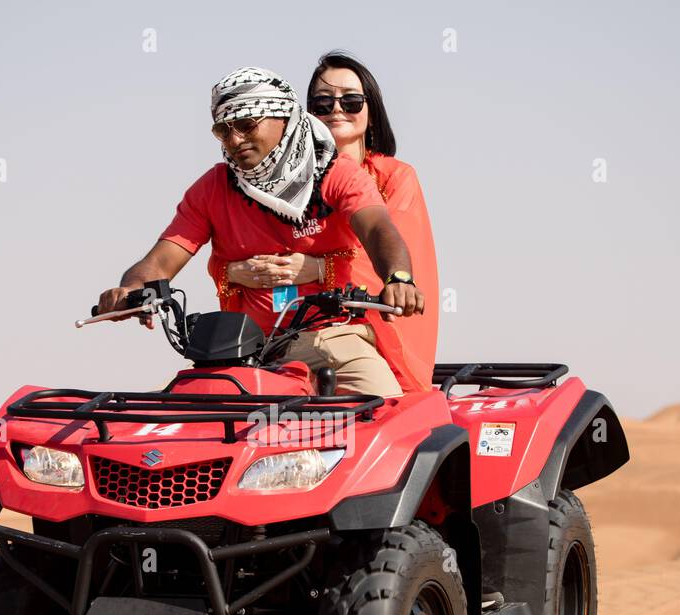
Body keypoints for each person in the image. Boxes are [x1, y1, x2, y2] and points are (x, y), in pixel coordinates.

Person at [95, 66, 423, 398]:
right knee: (167, 424)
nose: (235, 140)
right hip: (239, 350)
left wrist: (399, 277)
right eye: (223, 131)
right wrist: (130, 289)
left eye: (245, 125)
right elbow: (159, 261)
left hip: (331, 340)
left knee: (387, 412)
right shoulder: (213, 188)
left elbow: (378, 229)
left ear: (285, 118)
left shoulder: (337, 173)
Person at [215, 52, 439, 393]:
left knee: (389, 418)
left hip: (355, 334)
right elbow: (256, 248)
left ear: (371, 113)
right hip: (279, 335)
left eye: (351, 101)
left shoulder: (393, 177)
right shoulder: (275, 178)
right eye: (322, 103)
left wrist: (320, 269)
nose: (336, 109)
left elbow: (394, 250)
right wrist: (230, 271)